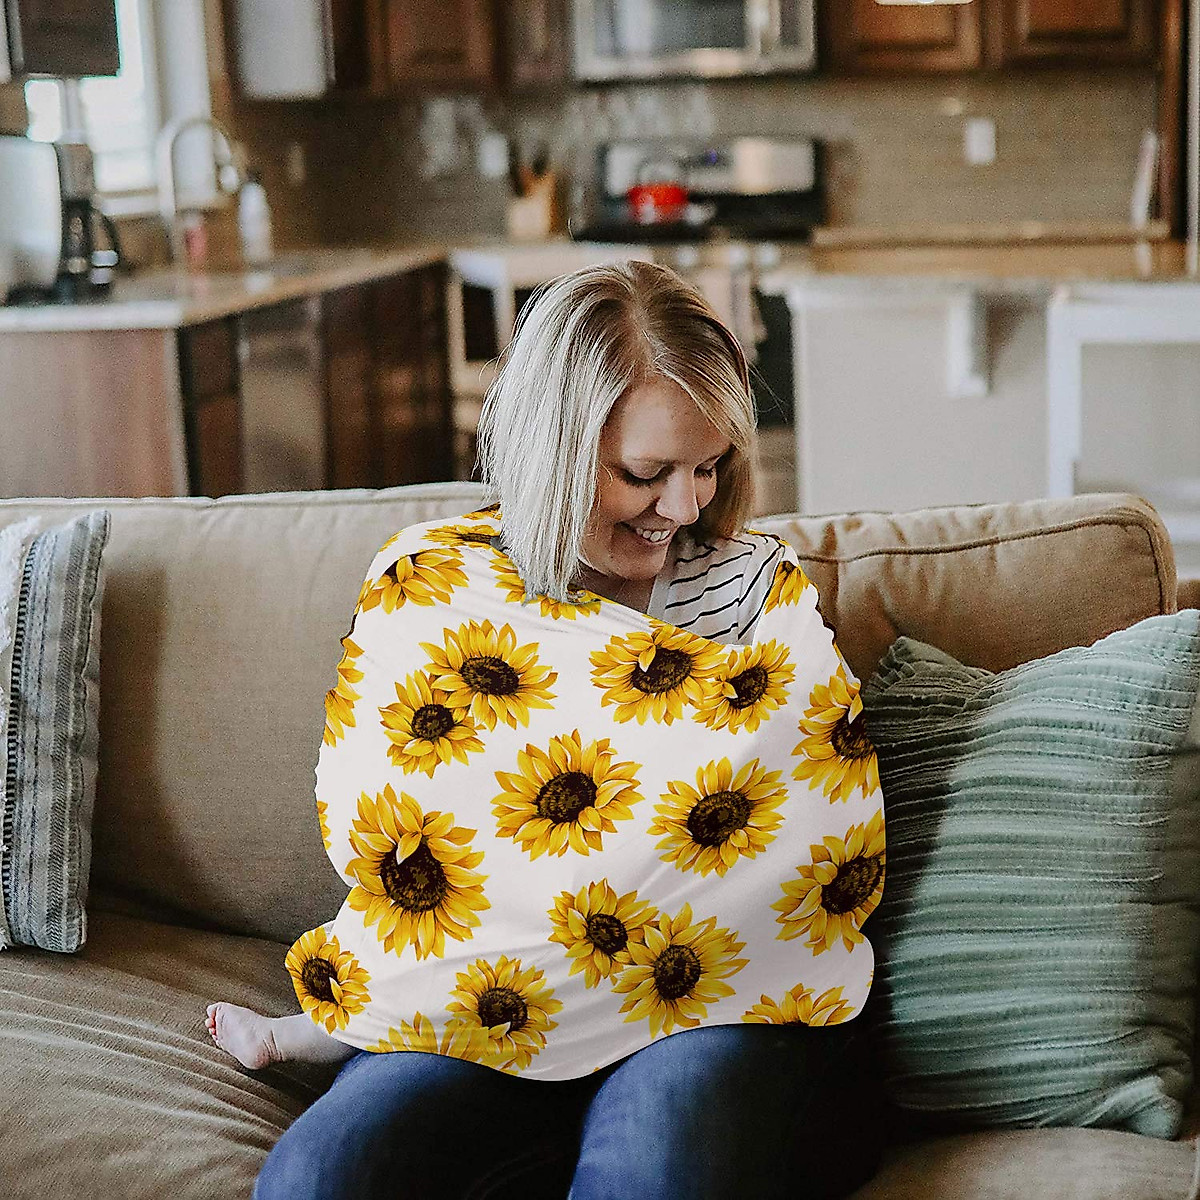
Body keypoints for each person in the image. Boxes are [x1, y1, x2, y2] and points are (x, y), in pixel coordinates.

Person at [206, 260, 883, 1200]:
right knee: (322, 1181)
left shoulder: (751, 590)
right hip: (479, 998)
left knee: (658, 1174)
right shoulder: (435, 585)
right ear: (553, 448)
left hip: (710, 1001)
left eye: (710, 466)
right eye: (645, 474)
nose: (685, 508)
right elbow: (385, 811)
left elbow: (814, 809)